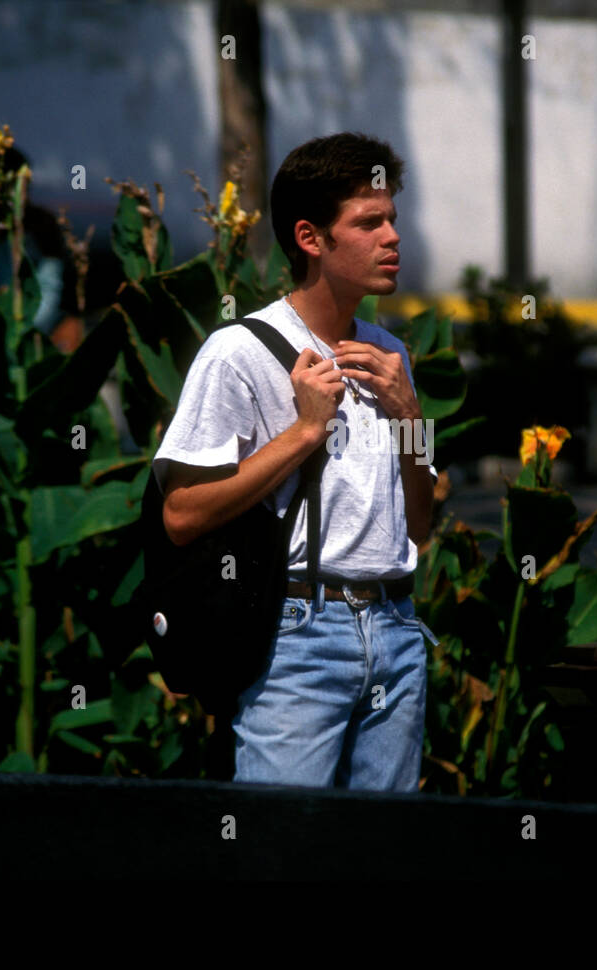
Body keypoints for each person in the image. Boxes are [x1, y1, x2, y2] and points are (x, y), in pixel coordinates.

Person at [154, 132, 438, 791]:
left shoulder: (390, 353)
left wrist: (410, 421)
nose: (392, 236)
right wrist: (304, 435)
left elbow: (419, 525)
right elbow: (179, 515)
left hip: (396, 632)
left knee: (381, 863)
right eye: (369, 222)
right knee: (280, 854)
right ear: (310, 238)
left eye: (392, 218)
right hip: (299, 636)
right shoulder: (240, 352)